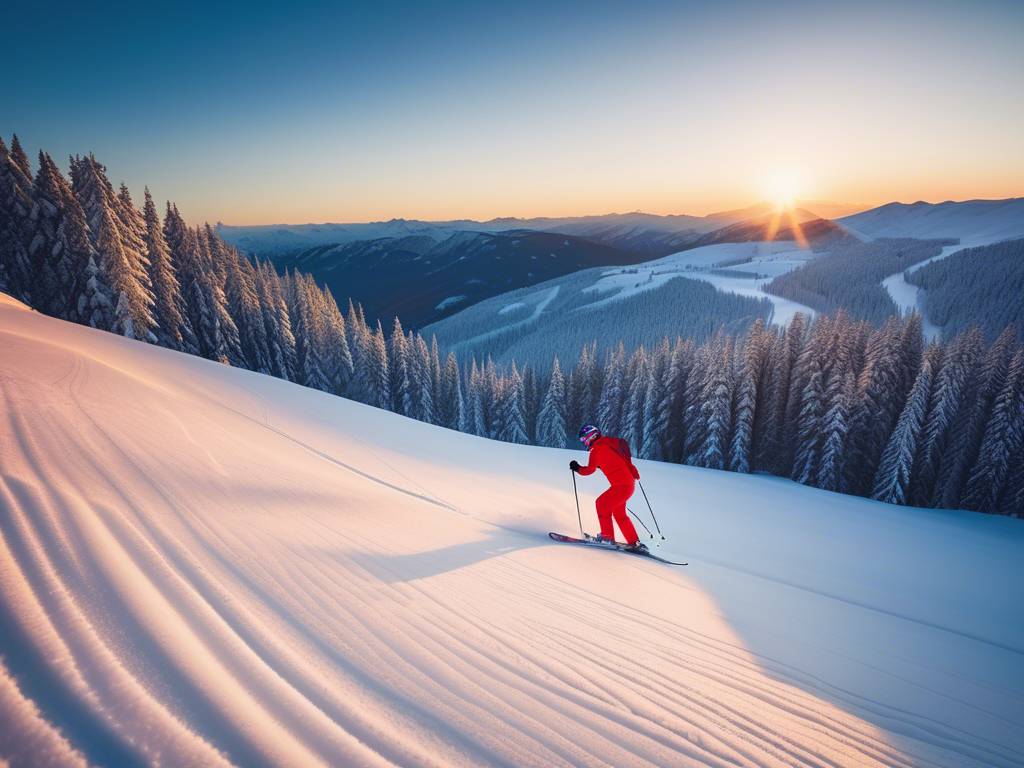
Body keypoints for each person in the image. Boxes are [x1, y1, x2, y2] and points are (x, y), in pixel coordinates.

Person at [570, 424, 647, 553]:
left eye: (584, 439)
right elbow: (611, 461)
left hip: (621, 487)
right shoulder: (607, 444)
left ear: (591, 436)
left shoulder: (597, 449)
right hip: (628, 485)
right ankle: (634, 542)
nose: (584, 442)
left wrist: (577, 467)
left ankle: (607, 537)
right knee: (619, 514)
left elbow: (589, 470)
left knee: (601, 504)